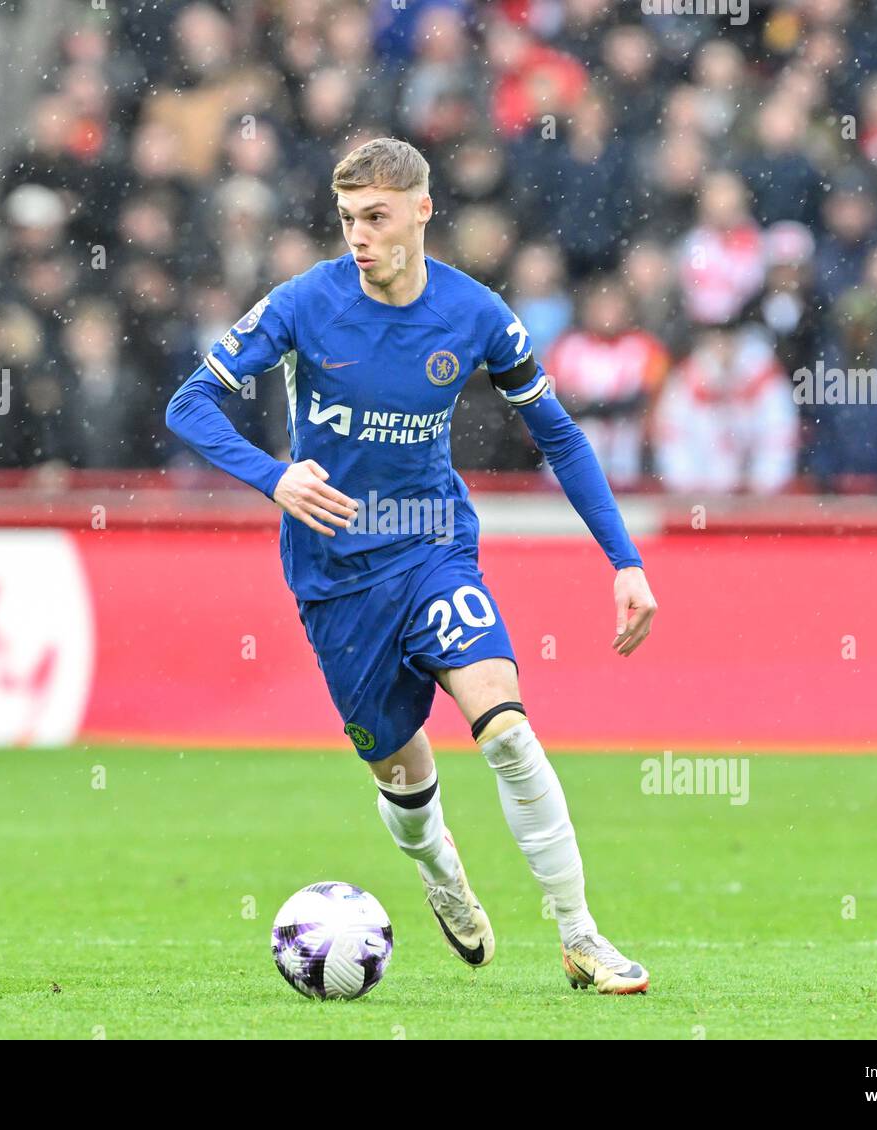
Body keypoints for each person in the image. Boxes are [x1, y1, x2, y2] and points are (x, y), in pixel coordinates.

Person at [166, 137, 657, 995]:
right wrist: (275, 476)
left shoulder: (476, 317)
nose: (359, 235)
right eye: (348, 218)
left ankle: (581, 935)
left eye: (377, 217)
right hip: (332, 576)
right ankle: (442, 874)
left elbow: (560, 438)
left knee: (505, 728)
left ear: (423, 211)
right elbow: (190, 402)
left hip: (432, 546)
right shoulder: (302, 304)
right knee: (400, 770)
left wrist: (624, 559)